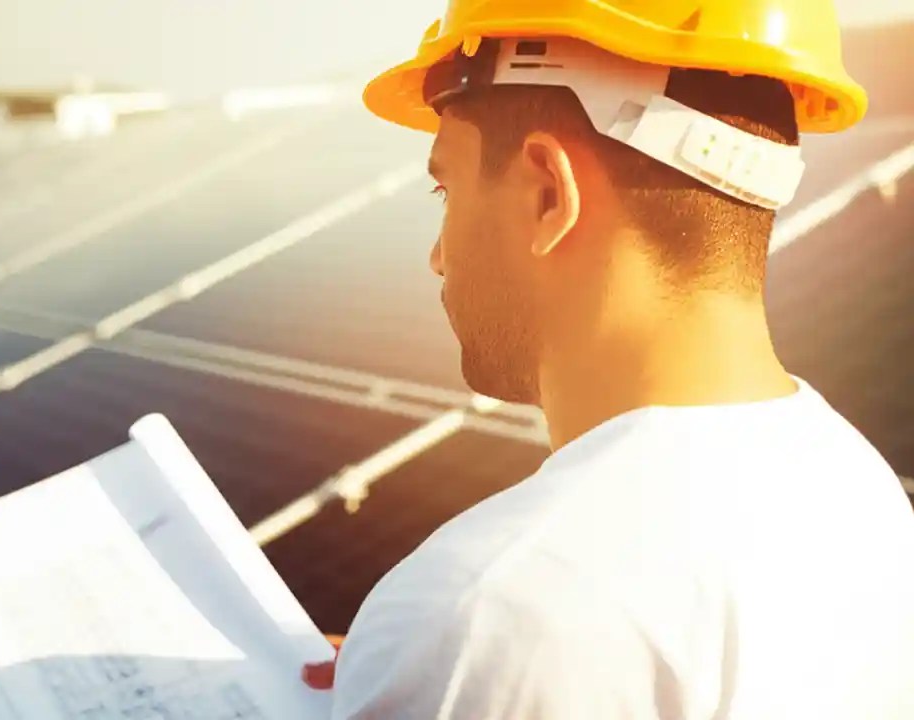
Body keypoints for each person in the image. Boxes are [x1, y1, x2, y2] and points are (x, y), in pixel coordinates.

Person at [302, 2, 914, 718]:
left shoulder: (494, 610)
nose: (437, 257)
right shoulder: (860, 496)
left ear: (546, 193)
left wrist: (440, 662)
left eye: (447, 190)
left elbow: (516, 629)